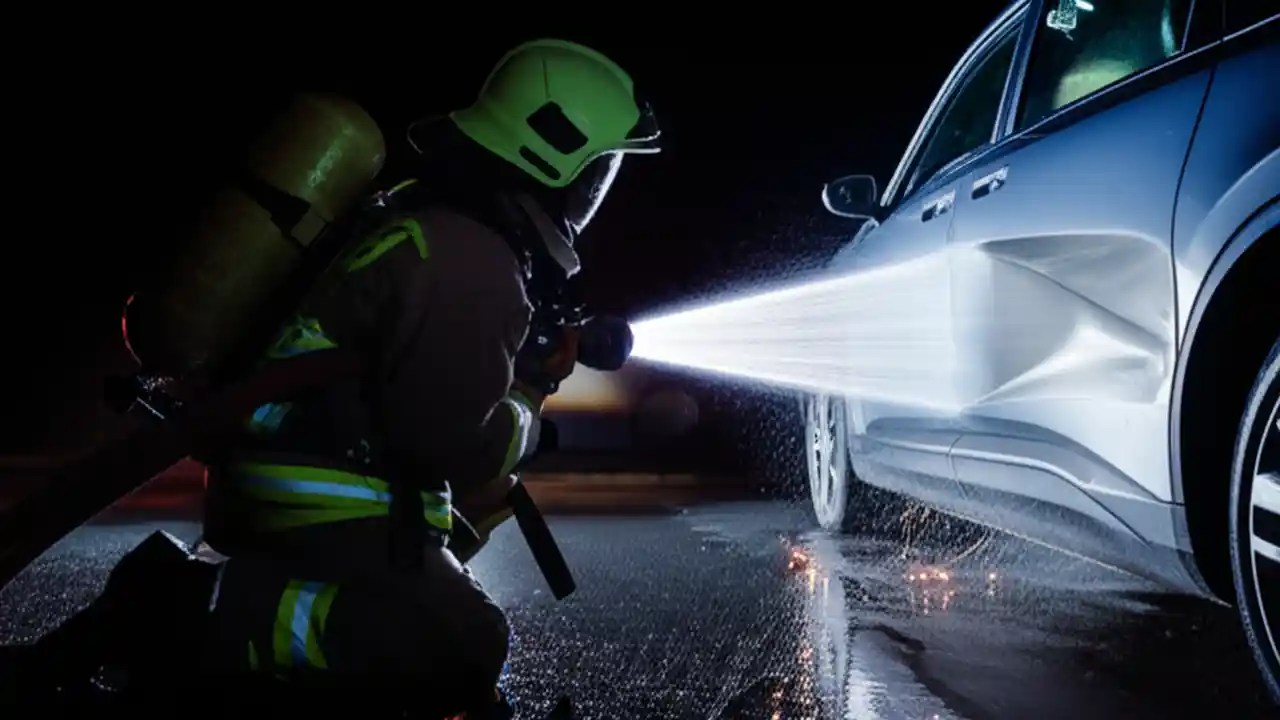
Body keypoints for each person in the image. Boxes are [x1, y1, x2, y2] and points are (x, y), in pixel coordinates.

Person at [194, 37, 661, 710]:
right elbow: (450, 449)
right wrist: (530, 397)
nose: (596, 195)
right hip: (307, 510)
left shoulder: (432, 221)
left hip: (282, 488)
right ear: (554, 156)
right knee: (459, 645)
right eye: (598, 173)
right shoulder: (474, 259)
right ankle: (223, 613)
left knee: (461, 540)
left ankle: (283, 612)